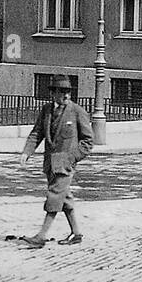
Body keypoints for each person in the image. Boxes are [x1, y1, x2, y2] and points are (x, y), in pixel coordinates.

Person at [15, 74, 94, 246]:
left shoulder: (77, 112)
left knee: (54, 196)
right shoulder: (46, 111)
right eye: (62, 92)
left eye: (68, 92)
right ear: (53, 93)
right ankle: (76, 233)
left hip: (65, 165)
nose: (66, 96)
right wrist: (26, 152)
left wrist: (71, 157)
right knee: (64, 198)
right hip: (50, 163)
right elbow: (37, 133)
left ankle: (41, 236)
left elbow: (88, 142)